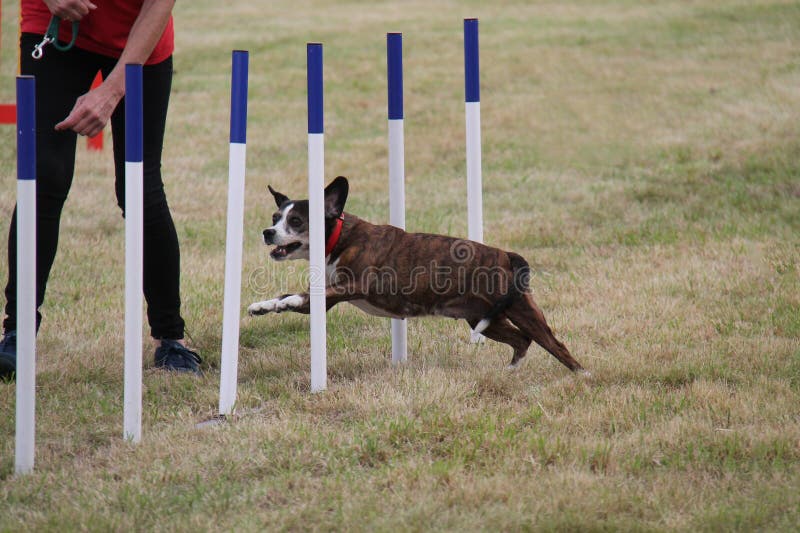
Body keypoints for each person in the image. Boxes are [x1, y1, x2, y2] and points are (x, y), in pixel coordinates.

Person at [0, 0, 201, 380]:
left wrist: (111, 91)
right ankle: (16, 331)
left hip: (139, 36)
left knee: (140, 188)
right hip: (54, 26)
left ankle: (171, 338)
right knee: (44, 179)